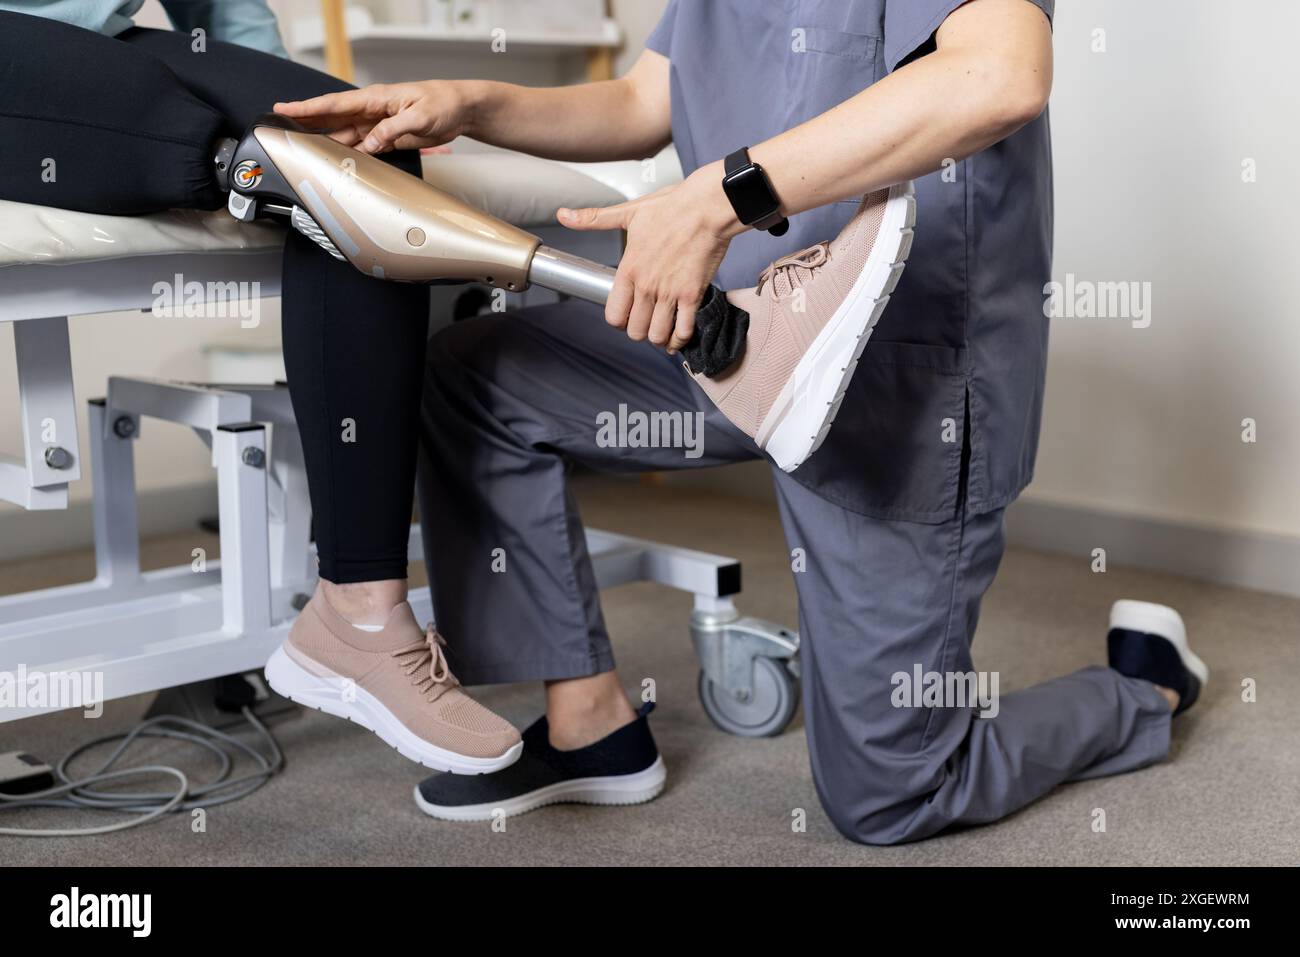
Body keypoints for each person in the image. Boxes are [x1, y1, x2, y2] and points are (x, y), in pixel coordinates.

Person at [278, 0, 1209, 843]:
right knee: (479, 379)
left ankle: (1145, 687)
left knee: (893, 792)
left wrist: (719, 199)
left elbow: (998, 75)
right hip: (734, 339)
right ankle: (591, 726)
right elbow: (646, 101)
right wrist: (472, 100)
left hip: (899, 380)